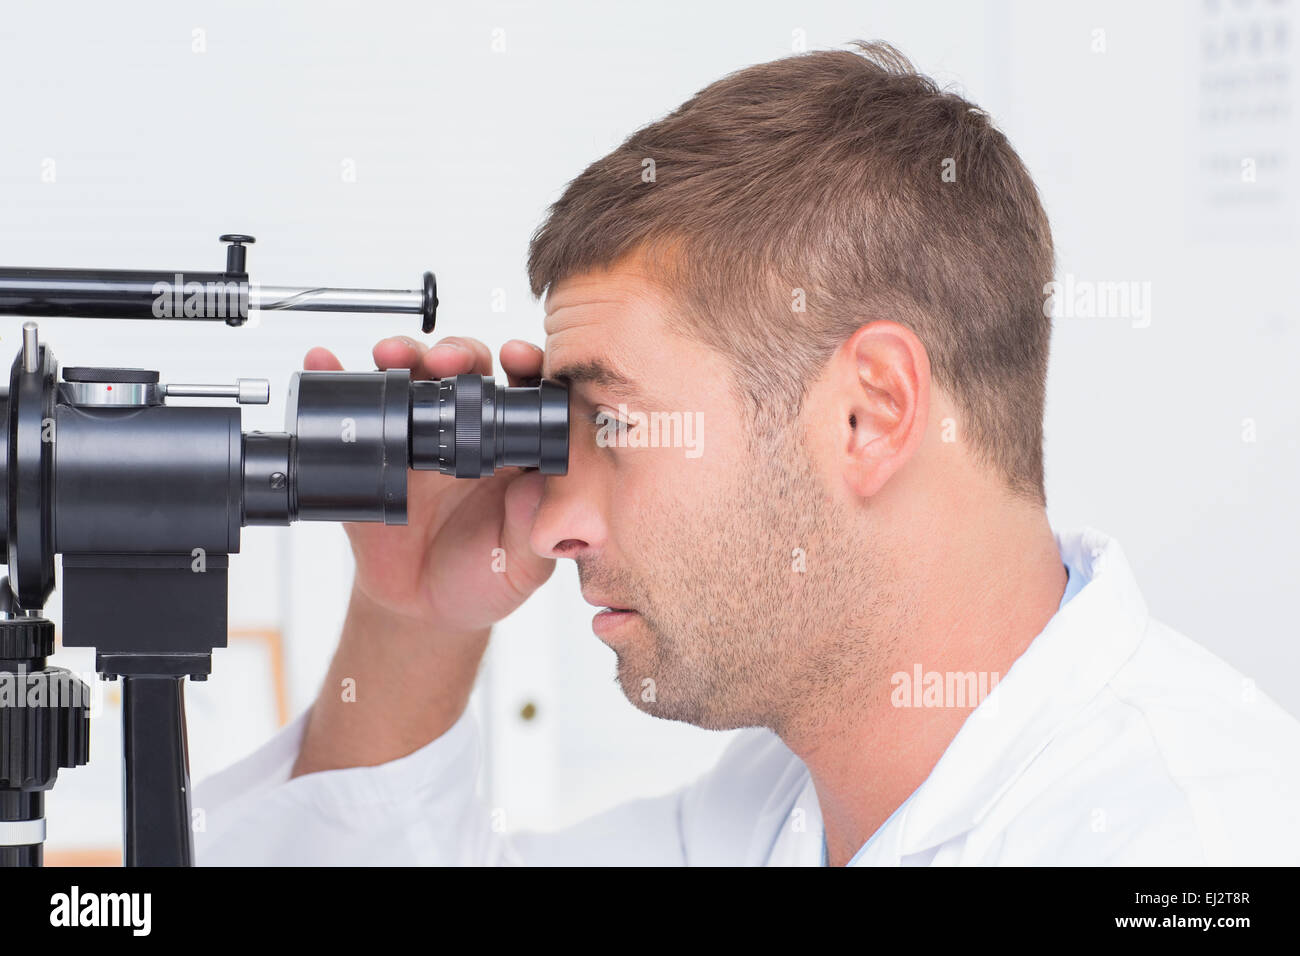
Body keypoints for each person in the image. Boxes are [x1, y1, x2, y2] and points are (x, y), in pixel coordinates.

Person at [194, 41, 1300, 866]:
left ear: (866, 415)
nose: (548, 519)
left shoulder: (1188, 843)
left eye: (613, 422)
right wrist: (413, 619)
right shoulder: (768, 807)